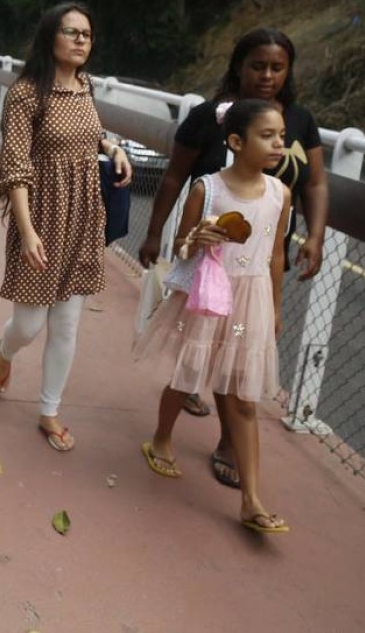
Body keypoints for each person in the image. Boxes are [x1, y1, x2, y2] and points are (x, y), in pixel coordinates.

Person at [137, 28, 329, 487]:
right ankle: (172, 428)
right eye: (257, 65)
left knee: (240, 361)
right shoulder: (209, 118)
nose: (267, 75)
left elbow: (315, 182)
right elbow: (175, 176)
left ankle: (230, 445)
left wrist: (315, 236)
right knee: (202, 356)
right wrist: (156, 232)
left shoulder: (299, 123)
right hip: (210, 271)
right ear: (238, 66)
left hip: (259, 271)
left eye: (277, 67)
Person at [137, 98, 292, 533]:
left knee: (243, 396)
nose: (279, 144)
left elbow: (277, 254)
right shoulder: (208, 189)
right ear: (237, 141)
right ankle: (162, 438)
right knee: (188, 373)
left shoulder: (280, 193)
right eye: (268, 136)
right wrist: (196, 238)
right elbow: (181, 248)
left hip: (251, 303)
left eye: (281, 136)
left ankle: (252, 500)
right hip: (208, 298)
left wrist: (276, 307)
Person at [0, 1, 132, 452]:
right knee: (29, 324)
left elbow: (90, 133)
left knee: (67, 324)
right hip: (42, 215)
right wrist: (27, 231)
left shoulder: (84, 85)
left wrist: (113, 146)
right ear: (51, 37)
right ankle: (5, 350)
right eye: (71, 32)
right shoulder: (28, 93)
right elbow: (15, 164)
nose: (81, 41)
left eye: (86, 34)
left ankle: (49, 410)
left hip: (83, 215)